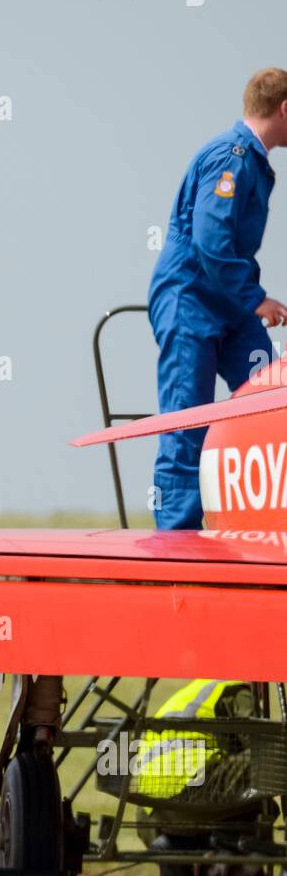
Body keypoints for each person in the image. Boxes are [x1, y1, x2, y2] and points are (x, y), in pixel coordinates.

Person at [148, 68, 287, 530]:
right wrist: (255, 299)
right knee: (188, 420)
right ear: (284, 109)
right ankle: (176, 546)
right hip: (191, 301)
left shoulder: (251, 159)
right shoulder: (232, 157)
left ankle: (265, 517)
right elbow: (210, 240)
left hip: (227, 304)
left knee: (273, 394)